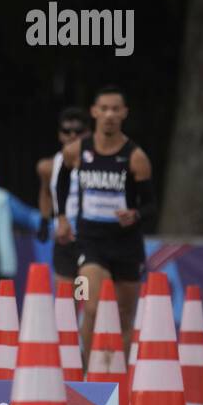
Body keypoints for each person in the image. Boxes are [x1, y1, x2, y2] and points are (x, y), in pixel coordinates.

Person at [56, 86, 154, 359]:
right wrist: (62, 217)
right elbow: (61, 181)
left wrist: (135, 215)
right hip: (90, 242)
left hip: (126, 244)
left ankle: (118, 372)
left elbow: (150, 205)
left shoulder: (136, 157)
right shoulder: (77, 150)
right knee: (92, 306)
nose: (110, 115)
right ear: (94, 112)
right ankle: (89, 370)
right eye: (104, 109)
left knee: (124, 314)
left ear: (124, 113)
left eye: (115, 109)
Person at [36, 107, 89, 289]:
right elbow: (46, 192)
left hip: (90, 239)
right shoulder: (48, 166)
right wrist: (44, 220)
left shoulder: (98, 163)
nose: (72, 135)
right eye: (67, 131)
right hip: (64, 237)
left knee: (85, 294)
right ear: (60, 134)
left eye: (78, 131)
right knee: (64, 296)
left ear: (88, 133)